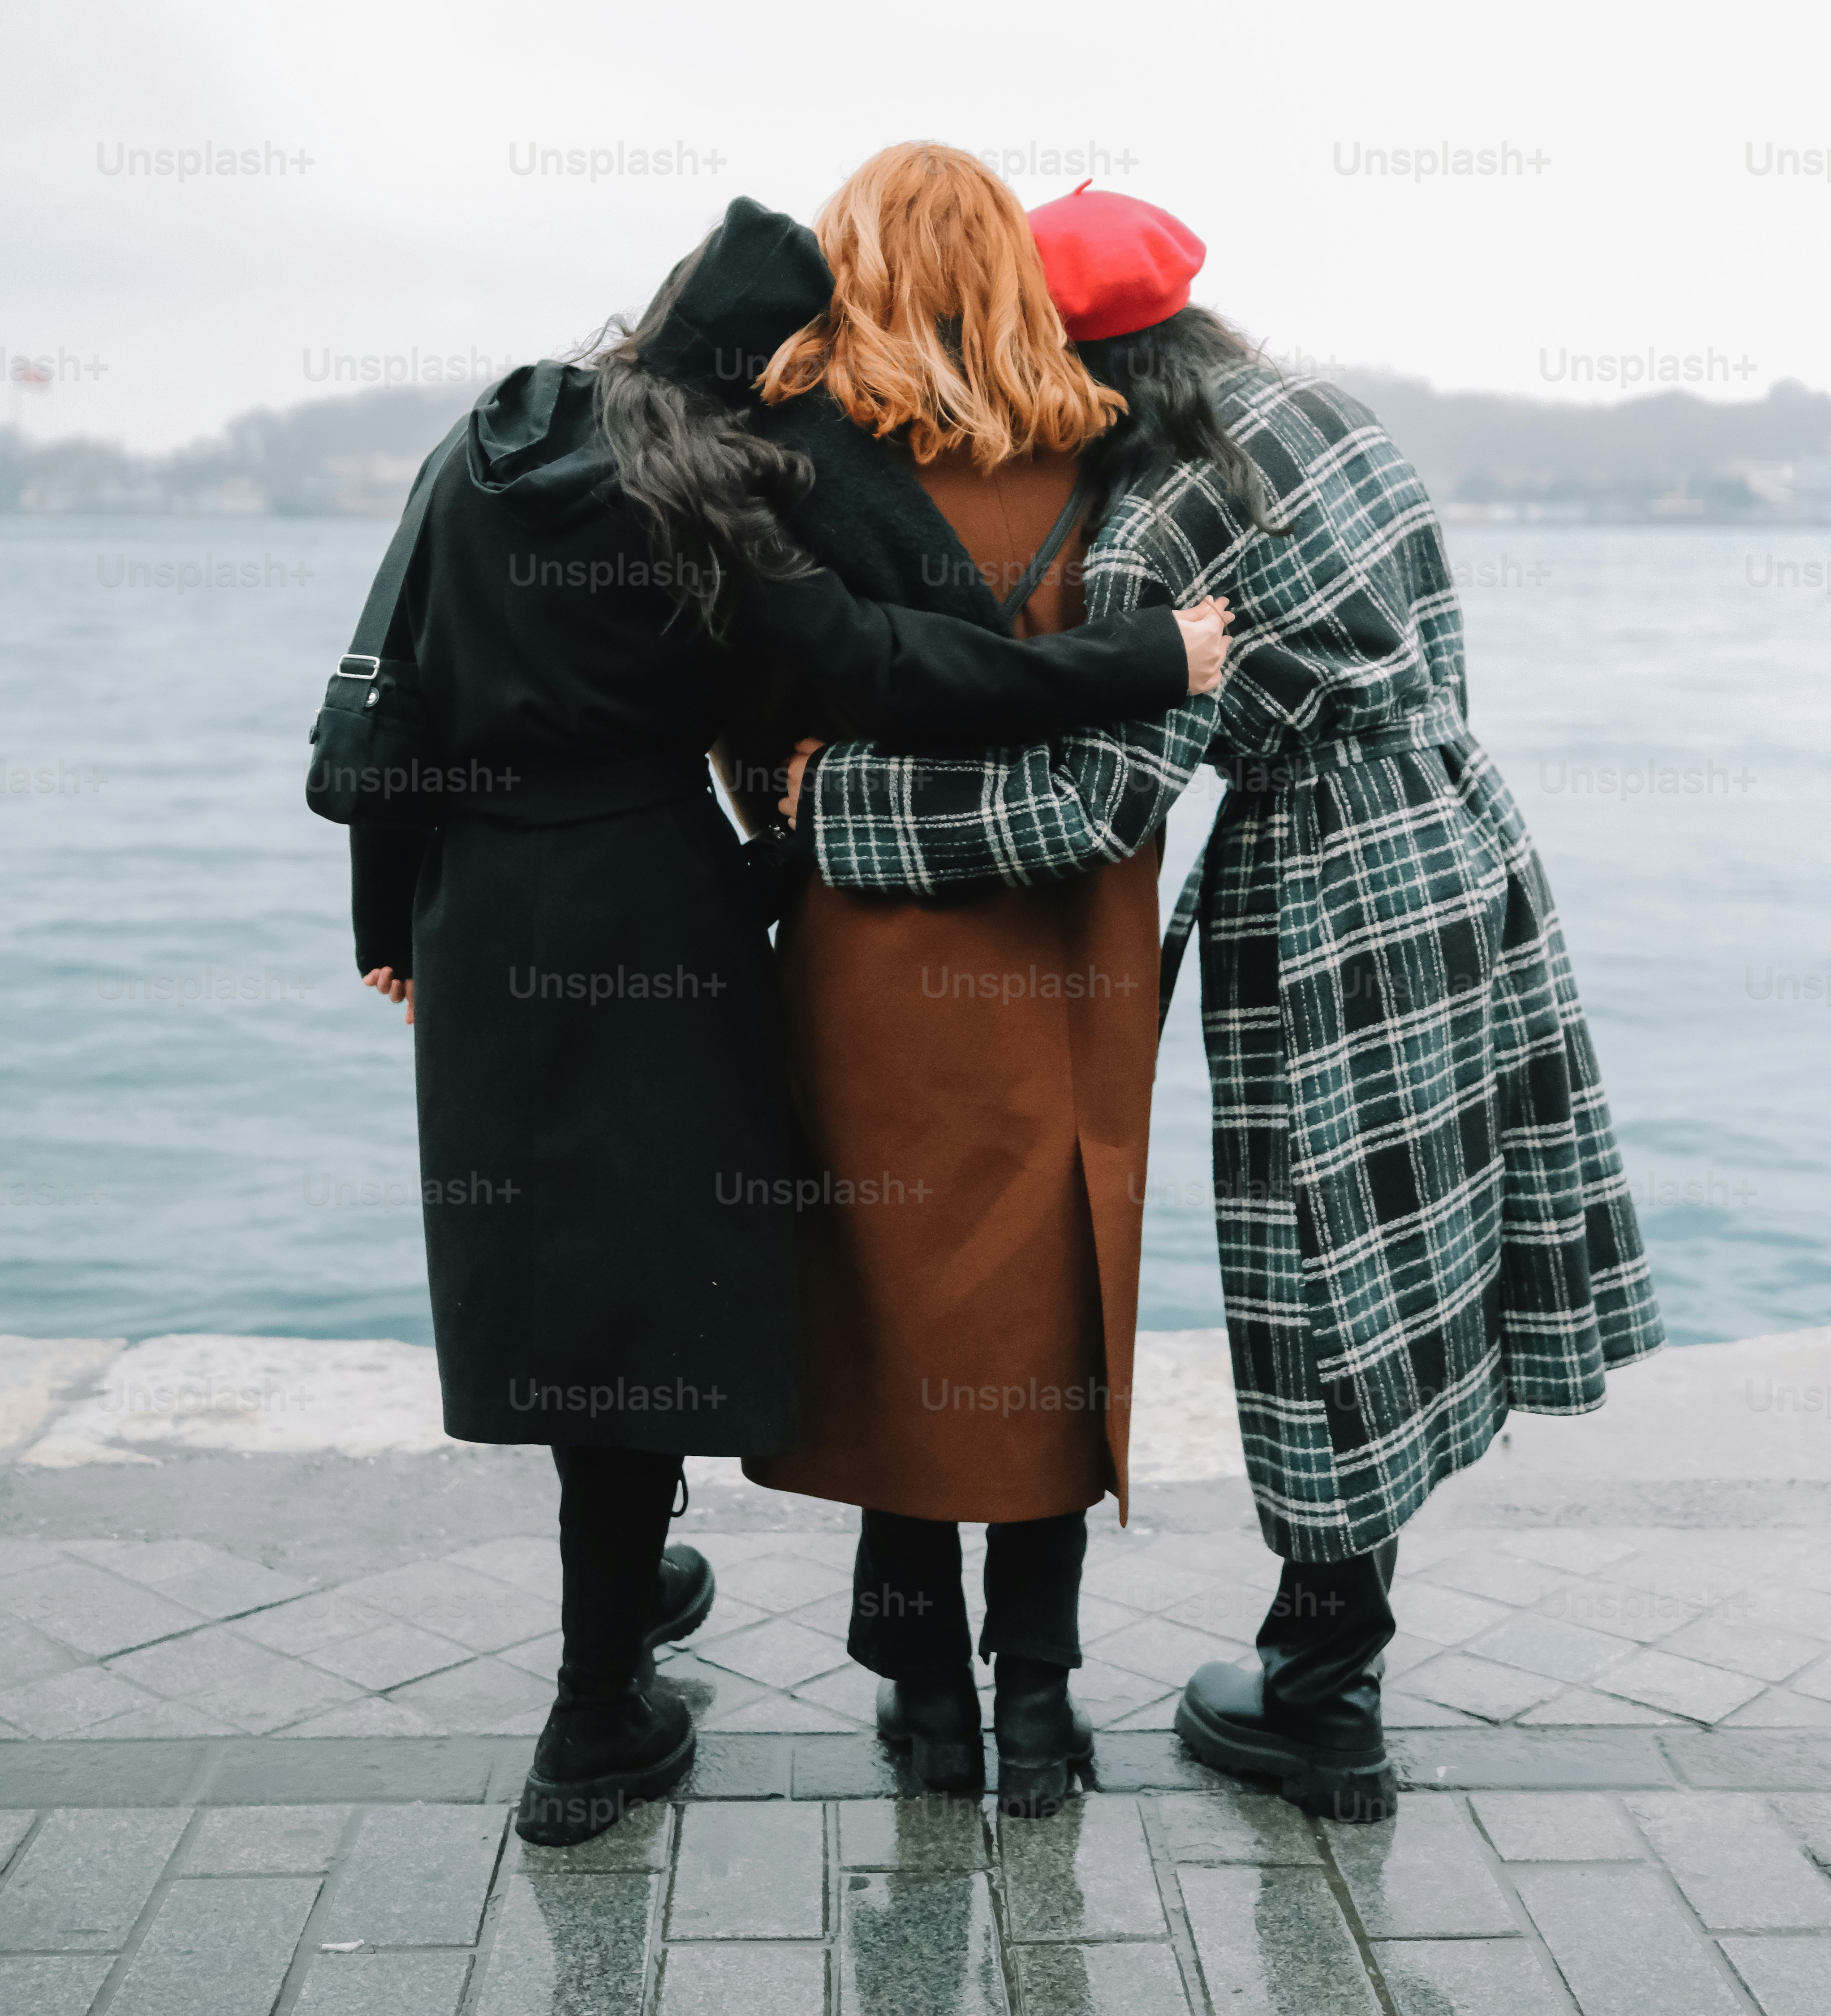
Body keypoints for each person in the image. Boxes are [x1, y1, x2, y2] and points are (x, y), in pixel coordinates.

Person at [337, 206, 1226, 1845]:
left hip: (478, 909)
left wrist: (386, 916)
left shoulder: (494, 429)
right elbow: (885, 665)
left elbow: (404, 678)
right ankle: (609, 1707)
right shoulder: (714, 488)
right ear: (768, 360)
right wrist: (1141, 658)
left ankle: (633, 1628)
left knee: (557, 1284)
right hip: (660, 909)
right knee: (658, 1281)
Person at [784, 181, 1664, 1824]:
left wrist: (823, 811)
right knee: (1404, 1269)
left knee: (1323, 1277)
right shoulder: (1330, 409)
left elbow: (1090, 804)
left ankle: (1326, 1710)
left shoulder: (1157, 515)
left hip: (1319, 881)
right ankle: (1329, 1661)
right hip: (1466, 835)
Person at [652, 143, 1230, 1815]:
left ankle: (925, 1706)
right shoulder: (1118, 461)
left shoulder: (792, 464)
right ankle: (1038, 1702)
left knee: (902, 1322)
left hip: (874, 953)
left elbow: (760, 727)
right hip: (1076, 949)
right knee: (1053, 1315)